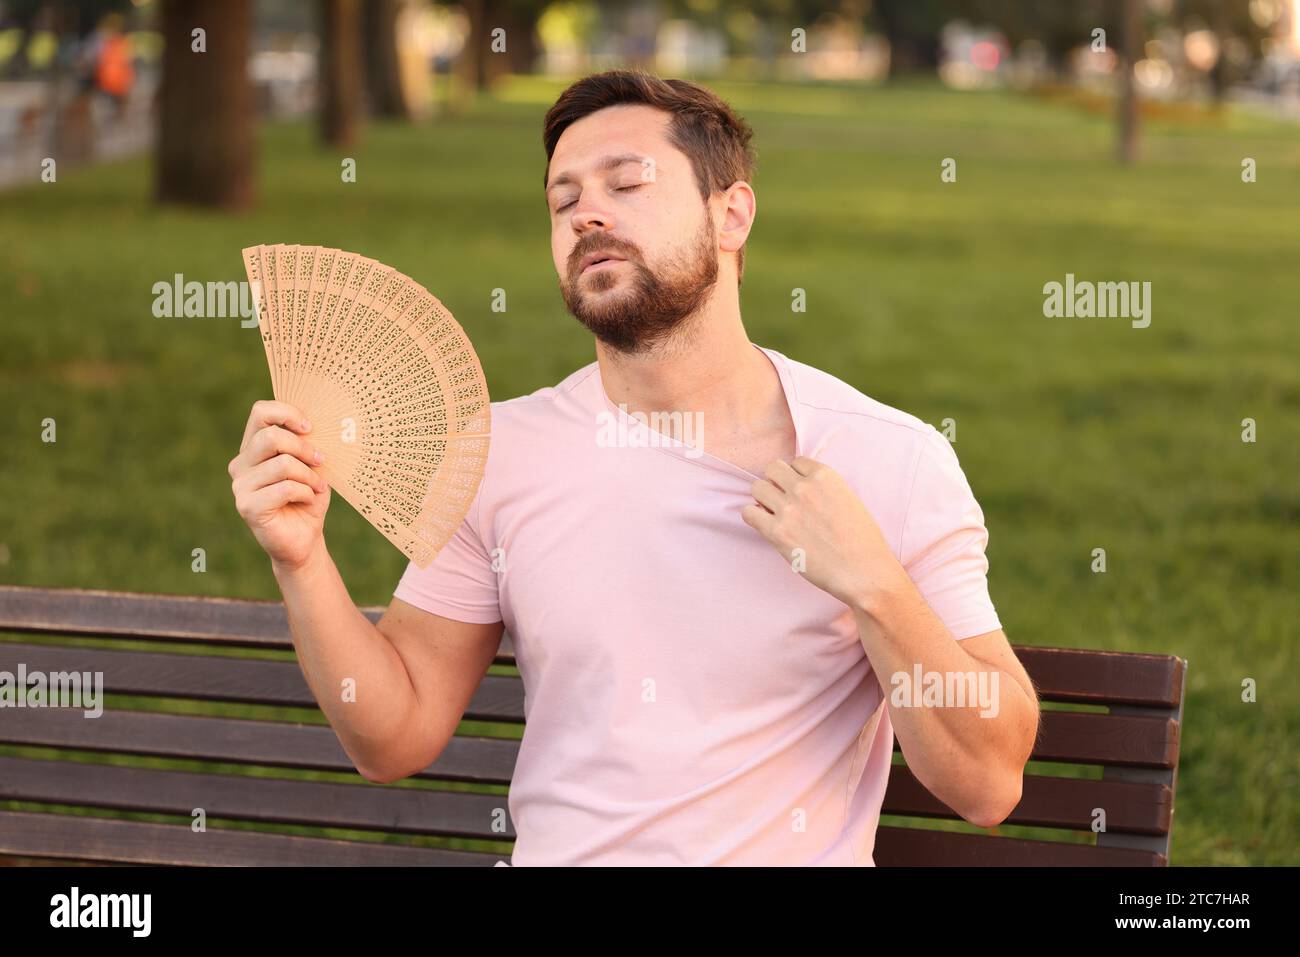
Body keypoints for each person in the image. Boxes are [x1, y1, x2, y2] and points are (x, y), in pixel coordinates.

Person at [227, 70, 1040, 866]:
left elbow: (987, 781)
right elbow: (392, 736)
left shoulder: (885, 458)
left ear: (732, 215)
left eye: (627, 184)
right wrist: (301, 558)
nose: (589, 215)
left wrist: (878, 587)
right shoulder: (501, 453)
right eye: (564, 200)